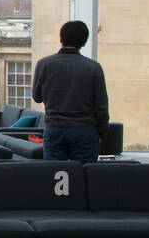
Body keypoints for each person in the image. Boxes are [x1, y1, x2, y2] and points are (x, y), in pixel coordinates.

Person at [31, 19, 110, 163]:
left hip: (54, 128)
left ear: (61, 38)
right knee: (84, 177)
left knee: (55, 176)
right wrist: (101, 132)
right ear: (84, 41)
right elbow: (101, 107)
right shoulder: (94, 68)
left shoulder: (44, 64)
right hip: (85, 131)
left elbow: (37, 97)